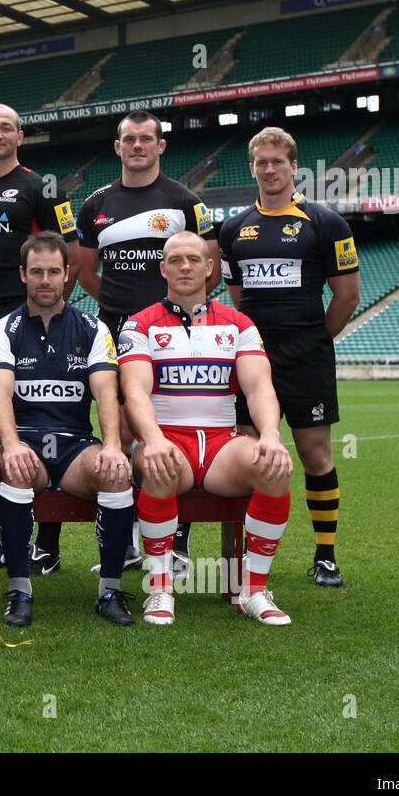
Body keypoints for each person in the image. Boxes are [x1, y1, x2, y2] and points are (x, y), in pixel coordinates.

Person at [118, 230, 294, 626]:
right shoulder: (138, 324)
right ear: (162, 268)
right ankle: (160, 588)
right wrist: (154, 439)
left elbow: (259, 386)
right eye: (176, 260)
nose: (185, 267)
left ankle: (252, 589)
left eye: (194, 260)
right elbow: (135, 391)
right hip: (168, 438)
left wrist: (270, 436)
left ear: (209, 268)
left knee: (275, 466)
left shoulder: (239, 324)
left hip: (221, 444)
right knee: (157, 463)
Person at [76, 109, 220, 576]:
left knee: (172, 429)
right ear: (117, 147)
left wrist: (169, 317)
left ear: (160, 146)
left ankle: (175, 544)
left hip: (175, 335)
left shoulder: (185, 202)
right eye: (128, 139)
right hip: (116, 334)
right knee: (124, 434)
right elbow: (84, 272)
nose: (137, 146)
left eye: (146, 139)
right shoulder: (94, 204)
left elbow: (206, 269)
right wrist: (125, 315)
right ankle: (131, 541)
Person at [218, 126, 360, 587]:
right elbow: (237, 297)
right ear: (253, 167)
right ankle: (245, 559)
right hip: (251, 357)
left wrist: (316, 339)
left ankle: (325, 554)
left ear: (294, 166)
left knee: (314, 453)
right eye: (262, 161)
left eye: (278, 161)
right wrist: (257, 344)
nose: (270, 169)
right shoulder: (233, 229)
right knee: (246, 451)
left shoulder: (326, 223)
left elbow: (347, 295)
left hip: (306, 356)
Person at [0, 102, 81, 576]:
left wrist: (50, 309)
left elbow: (71, 253)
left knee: (48, 417)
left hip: (33, 319)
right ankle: (4, 536)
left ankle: (46, 542)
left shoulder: (43, 188)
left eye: (7, 126)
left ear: (20, 135)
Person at [0, 232, 135, 628]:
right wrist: (11, 445)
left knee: (116, 475)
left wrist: (114, 447)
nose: (45, 280)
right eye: (37, 272)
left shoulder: (93, 328)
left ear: (68, 273)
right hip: (25, 442)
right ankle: (20, 591)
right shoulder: (3, 330)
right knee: (15, 470)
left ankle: (110, 590)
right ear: (23, 274)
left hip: (74, 446)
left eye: (54, 271)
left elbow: (106, 393)